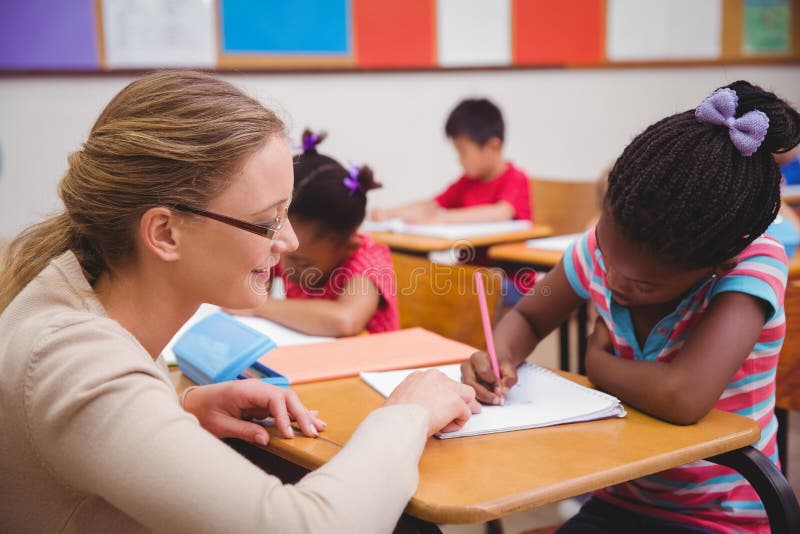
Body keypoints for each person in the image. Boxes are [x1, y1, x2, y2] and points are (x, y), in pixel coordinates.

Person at [0, 71, 480, 533]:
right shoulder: (75, 360)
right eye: (268, 221)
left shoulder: (65, 301)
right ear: (165, 233)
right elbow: (312, 528)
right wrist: (406, 414)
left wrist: (178, 408)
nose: (289, 241)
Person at [462, 80, 800, 533]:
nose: (614, 280)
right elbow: (528, 313)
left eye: (643, 284)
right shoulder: (597, 251)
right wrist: (498, 354)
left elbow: (683, 396)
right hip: (621, 493)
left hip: (723, 514)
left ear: (718, 265)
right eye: (604, 250)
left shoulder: (754, 267)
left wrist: (595, 362)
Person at [225, 130, 399, 335]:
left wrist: (259, 307)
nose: (285, 265)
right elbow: (250, 291)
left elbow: (345, 320)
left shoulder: (369, 259)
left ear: (348, 247)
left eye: (302, 263)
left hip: (373, 364)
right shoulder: (291, 251)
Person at [370, 98, 531, 223]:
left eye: (463, 151)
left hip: (507, 266)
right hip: (469, 264)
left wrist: (443, 218)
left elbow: (501, 212)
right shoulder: (466, 182)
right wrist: (390, 213)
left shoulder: (515, 178)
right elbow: (431, 206)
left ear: (493, 146)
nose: (460, 160)